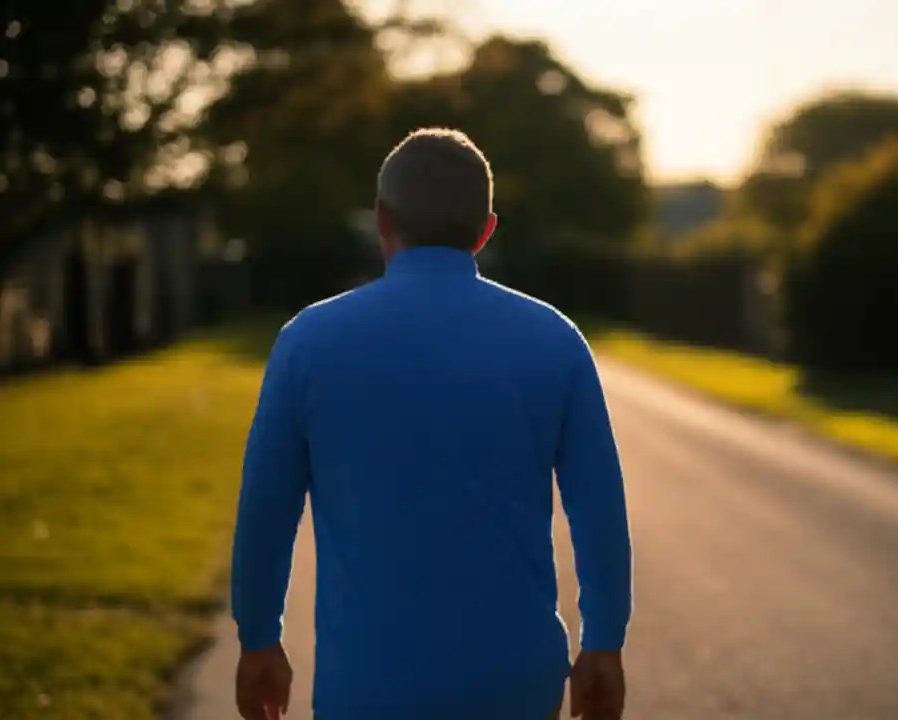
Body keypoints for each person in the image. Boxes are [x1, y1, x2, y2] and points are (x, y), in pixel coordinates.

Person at [230, 128, 633, 720]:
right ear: (486, 229)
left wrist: (258, 635)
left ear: (381, 219)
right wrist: (603, 641)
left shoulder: (308, 342)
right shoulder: (555, 339)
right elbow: (599, 511)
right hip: (514, 687)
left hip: (367, 690)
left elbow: (266, 508)